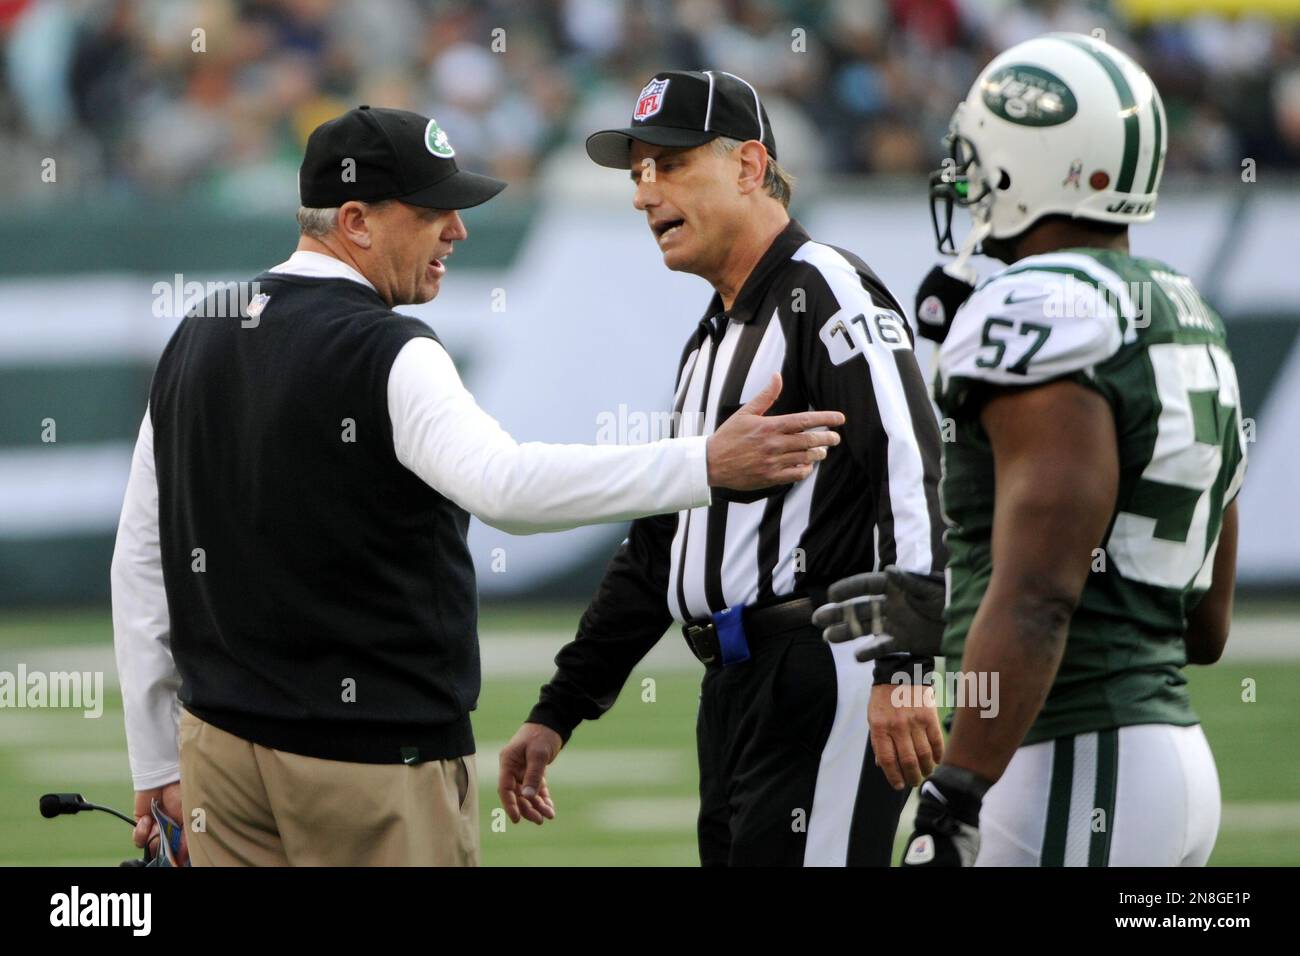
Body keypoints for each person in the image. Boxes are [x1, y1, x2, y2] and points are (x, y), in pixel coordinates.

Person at [110, 105, 845, 867]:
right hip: (372, 763)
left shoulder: (197, 333)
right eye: (434, 212)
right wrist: (702, 464)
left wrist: (157, 759)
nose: (456, 232)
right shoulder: (388, 349)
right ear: (357, 220)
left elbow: (138, 561)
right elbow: (507, 487)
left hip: (219, 757)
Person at [819, 34, 1248, 866]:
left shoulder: (1038, 308)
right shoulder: (1182, 308)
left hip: (1067, 761)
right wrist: (959, 608)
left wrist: (955, 792)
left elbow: (1047, 588)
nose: (967, 179)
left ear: (1032, 163)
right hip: (1170, 763)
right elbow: (1204, 626)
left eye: (980, 157)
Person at [499, 71, 945, 866]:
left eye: (668, 165)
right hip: (735, 683)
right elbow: (661, 548)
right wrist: (558, 709)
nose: (644, 194)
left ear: (748, 166)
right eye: (639, 171)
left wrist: (905, 666)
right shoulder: (713, 336)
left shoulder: (825, 287)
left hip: (825, 663)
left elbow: (905, 468)